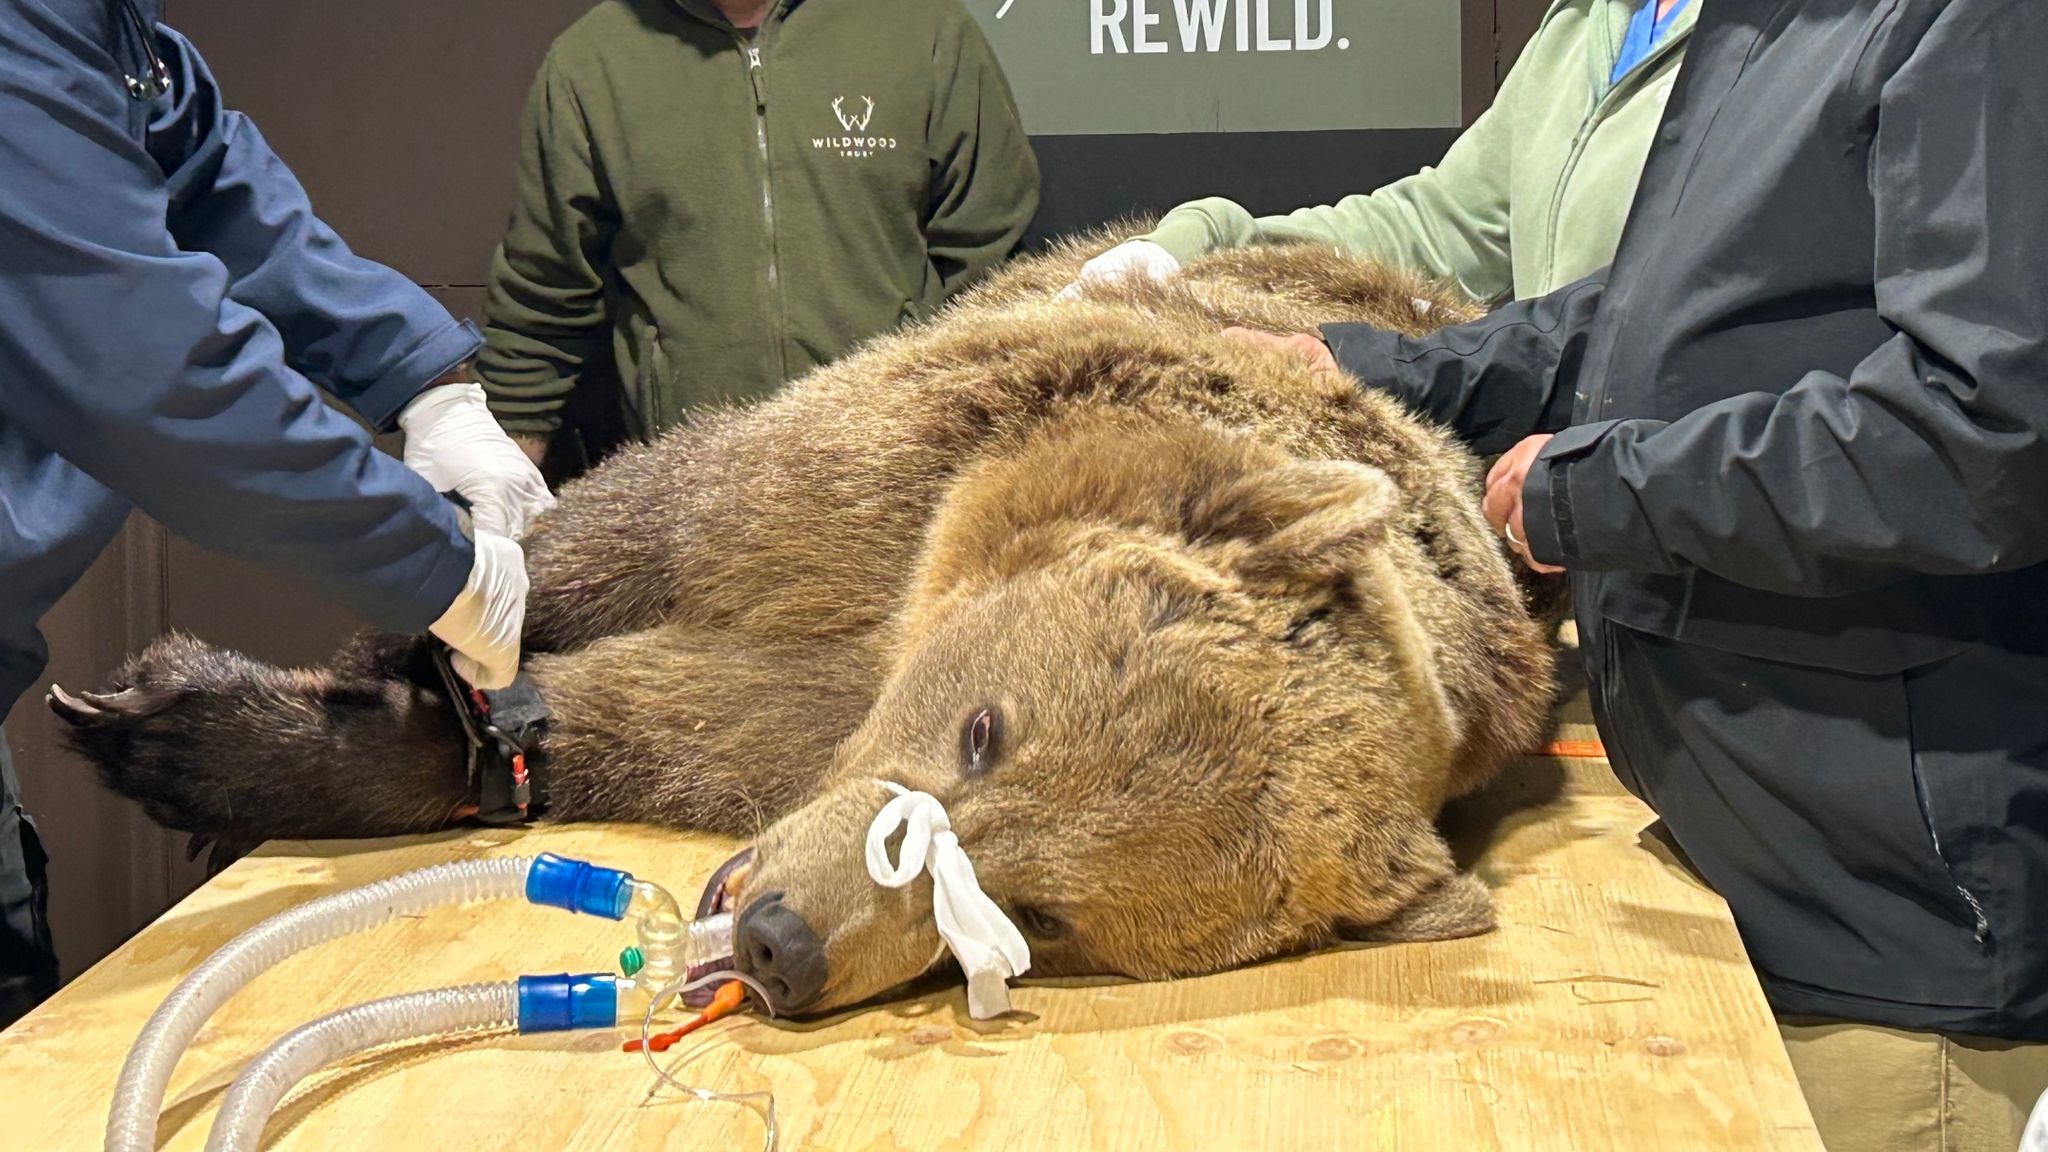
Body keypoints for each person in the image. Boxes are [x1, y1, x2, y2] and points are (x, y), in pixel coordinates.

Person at [1234, 0, 2048, 1146]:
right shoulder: (1765, 28)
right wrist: (1374, 368)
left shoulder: (1971, 23)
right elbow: (1646, 318)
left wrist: (1607, 494)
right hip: (1747, 866)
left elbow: (1985, 437)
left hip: (1886, 929)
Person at [0, 0, 553, 1027]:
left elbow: (202, 173)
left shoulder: (103, 26)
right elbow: (152, 379)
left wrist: (424, 383)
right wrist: (446, 574)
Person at [478, 0, 1042, 475]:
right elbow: (545, 295)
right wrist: (496, 486)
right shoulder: (593, 60)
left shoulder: (924, 29)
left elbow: (989, 268)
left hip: (889, 482)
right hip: (689, 492)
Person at [1066, 0, 1695, 307]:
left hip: (1692, 509)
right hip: (1567, 497)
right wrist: (1215, 242)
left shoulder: (1779, 41)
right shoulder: (1585, 22)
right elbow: (1443, 227)